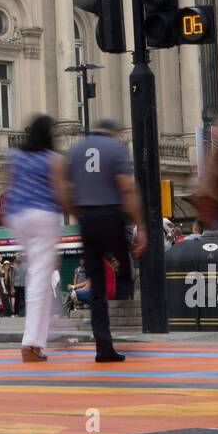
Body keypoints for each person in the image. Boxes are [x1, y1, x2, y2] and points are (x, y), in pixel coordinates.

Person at [65, 118, 147, 362]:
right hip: (111, 215)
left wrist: (78, 212)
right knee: (125, 266)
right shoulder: (115, 148)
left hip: (87, 219)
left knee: (97, 287)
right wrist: (139, 226)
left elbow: (66, 188)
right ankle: (125, 290)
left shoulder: (77, 149)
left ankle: (103, 346)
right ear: (113, 133)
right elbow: (127, 188)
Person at [5, 114, 73, 362]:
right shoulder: (53, 159)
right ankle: (31, 342)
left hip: (17, 216)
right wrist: (72, 213)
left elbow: (9, 186)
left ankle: (40, 340)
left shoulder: (15, 156)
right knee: (40, 280)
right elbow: (60, 192)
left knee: (40, 278)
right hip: (43, 215)